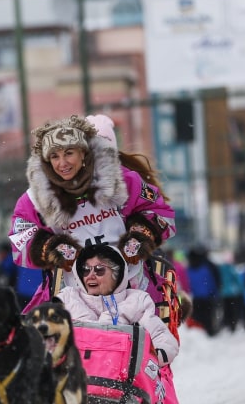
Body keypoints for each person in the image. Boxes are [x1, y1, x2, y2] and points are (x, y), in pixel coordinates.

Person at [9, 114, 176, 316]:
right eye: (54, 156)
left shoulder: (120, 179)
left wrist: (141, 235)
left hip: (133, 292)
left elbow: (160, 212)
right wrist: (50, 248)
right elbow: (19, 242)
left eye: (68, 153)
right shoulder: (35, 197)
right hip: (72, 298)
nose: (62, 163)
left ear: (83, 153)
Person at [57, 243, 178, 366]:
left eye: (99, 270)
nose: (90, 275)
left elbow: (161, 338)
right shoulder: (67, 299)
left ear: (117, 274)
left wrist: (148, 360)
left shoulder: (136, 301)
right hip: (75, 375)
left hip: (121, 378)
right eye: (85, 270)